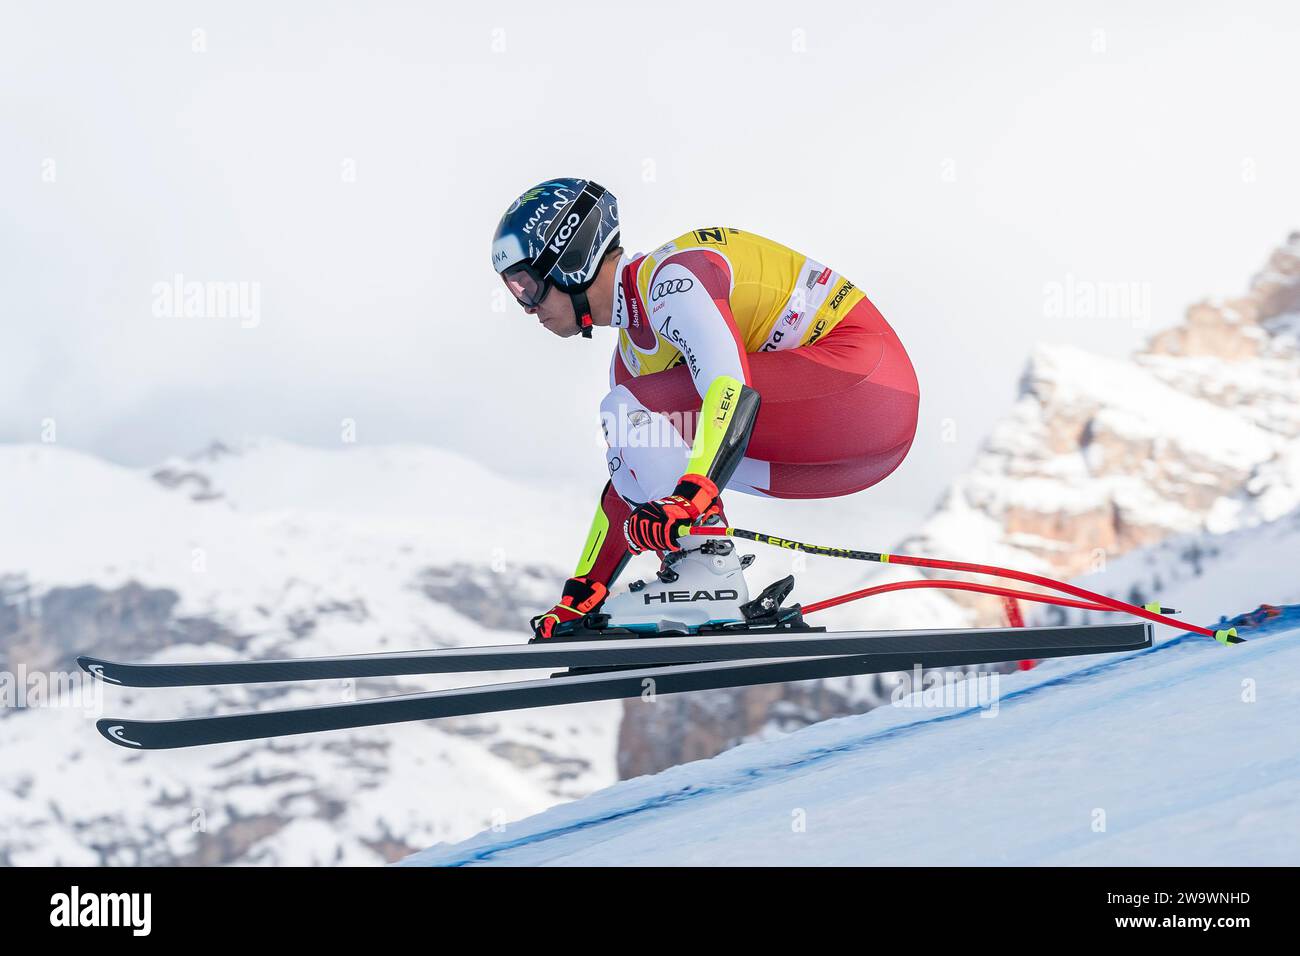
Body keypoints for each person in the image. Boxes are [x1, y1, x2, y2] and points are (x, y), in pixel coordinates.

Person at [492, 178, 920, 638]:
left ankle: (708, 576)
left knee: (630, 413)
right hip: (838, 454)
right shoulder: (630, 365)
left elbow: (728, 385)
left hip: (870, 391)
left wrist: (691, 497)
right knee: (637, 438)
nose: (526, 307)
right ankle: (703, 579)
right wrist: (584, 593)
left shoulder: (672, 280)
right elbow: (629, 481)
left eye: (527, 286)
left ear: (571, 261)